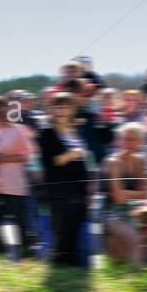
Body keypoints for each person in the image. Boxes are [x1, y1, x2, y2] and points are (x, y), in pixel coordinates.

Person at [38, 92, 90, 267]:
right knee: (63, 229)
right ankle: (60, 266)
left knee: (75, 226)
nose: (60, 111)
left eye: (65, 107)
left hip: (79, 188)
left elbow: (85, 160)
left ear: (73, 109)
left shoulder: (76, 131)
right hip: (60, 189)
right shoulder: (47, 133)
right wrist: (72, 154)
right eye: (57, 107)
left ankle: (70, 265)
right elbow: (49, 162)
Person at [0, 95, 36, 260]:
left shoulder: (16, 129)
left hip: (13, 183)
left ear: (4, 109)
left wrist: (5, 158)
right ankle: (1, 256)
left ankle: (27, 256)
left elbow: (28, 155)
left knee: (20, 222)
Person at [102, 123, 147, 267]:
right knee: (131, 243)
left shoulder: (141, 161)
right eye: (124, 139)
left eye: (132, 140)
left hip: (131, 210)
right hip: (110, 212)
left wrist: (126, 194)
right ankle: (141, 275)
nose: (127, 143)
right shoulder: (114, 162)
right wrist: (138, 194)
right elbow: (118, 198)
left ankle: (139, 273)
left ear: (141, 142)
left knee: (124, 257)